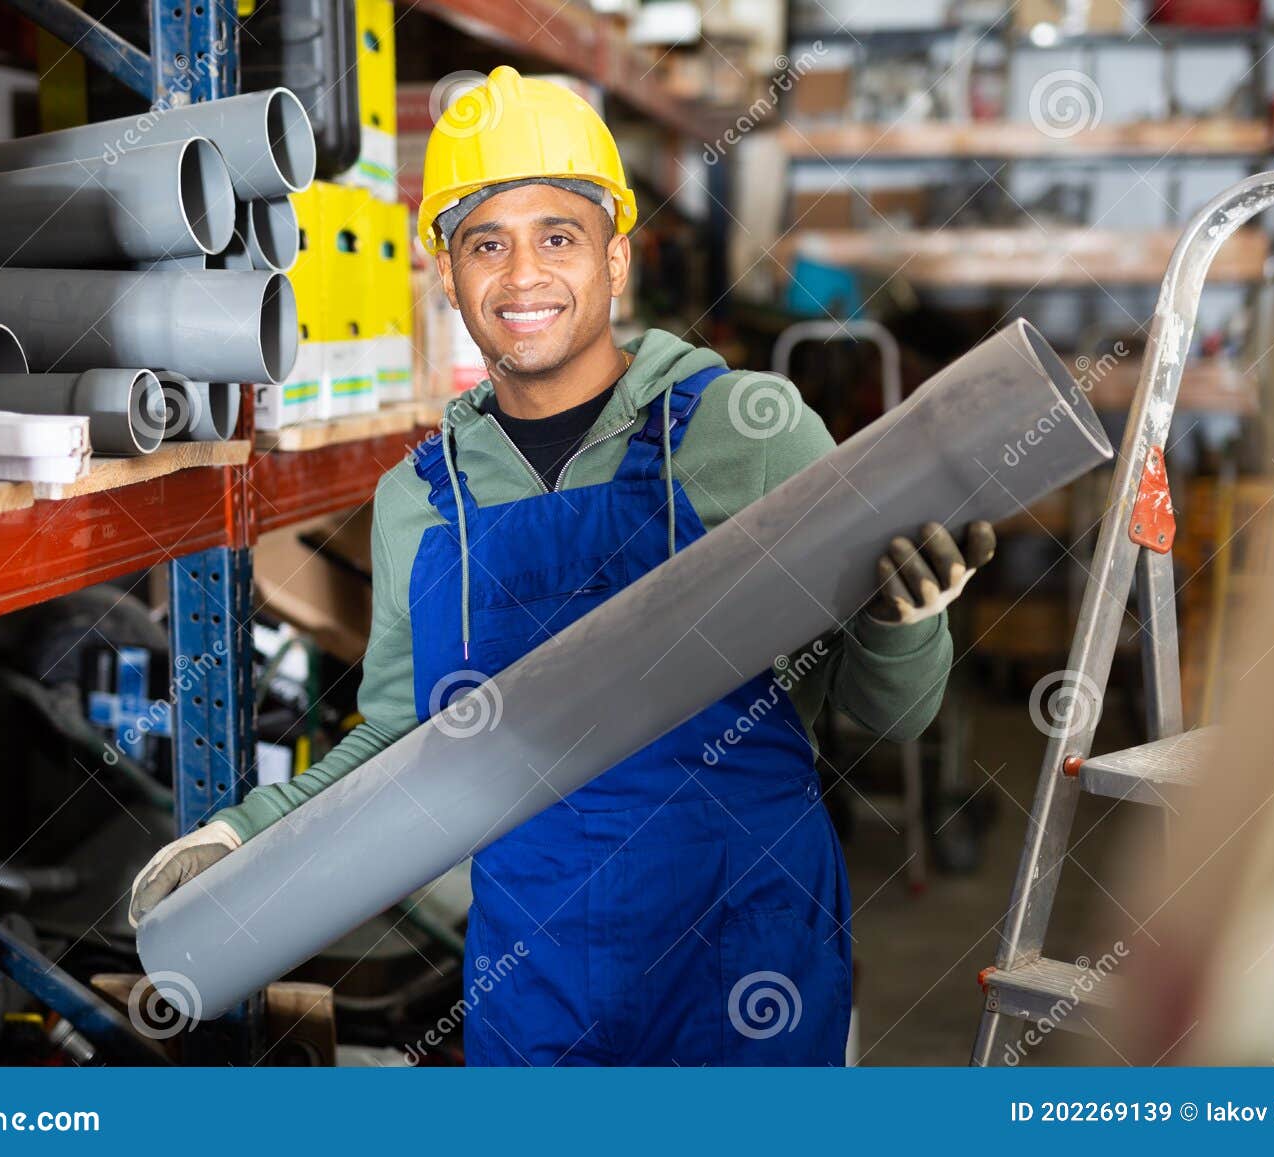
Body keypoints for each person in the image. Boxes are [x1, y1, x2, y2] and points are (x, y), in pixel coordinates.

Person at [130, 65, 995, 1066]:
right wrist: (241, 837)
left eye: (558, 237)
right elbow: (410, 740)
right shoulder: (421, 498)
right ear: (445, 272)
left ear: (615, 258)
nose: (523, 276)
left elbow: (883, 715)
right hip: (537, 980)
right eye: (485, 243)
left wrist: (900, 617)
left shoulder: (745, 434)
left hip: (748, 957)